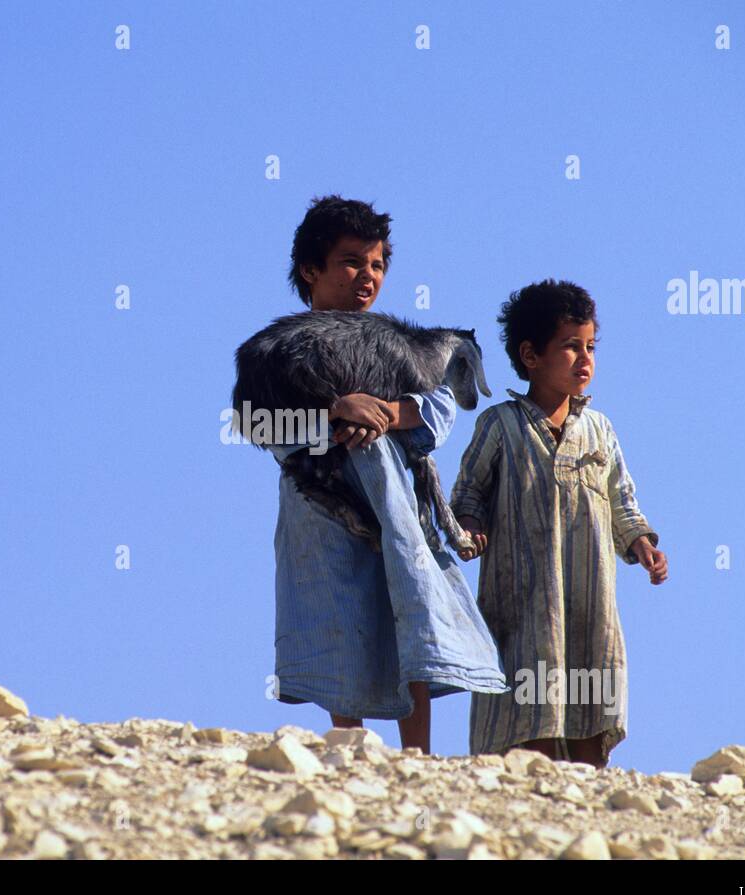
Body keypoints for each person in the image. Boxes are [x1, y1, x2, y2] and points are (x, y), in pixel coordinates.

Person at [265, 195, 508, 754]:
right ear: (310, 270)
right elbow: (262, 422)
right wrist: (333, 412)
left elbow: (442, 408)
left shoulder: (401, 346)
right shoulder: (282, 349)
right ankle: (349, 749)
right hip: (321, 508)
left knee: (412, 608)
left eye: (376, 265)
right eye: (351, 261)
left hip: (401, 501)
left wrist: (390, 413)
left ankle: (415, 756)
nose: (366, 276)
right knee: (340, 616)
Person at [449, 279, 667, 768]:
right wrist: (469, 527)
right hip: (523, 600)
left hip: (590, 599)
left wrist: (642, 545)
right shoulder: (500, 424)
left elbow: (622, 501)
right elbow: (468, 492)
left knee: (591, 708)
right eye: (570, 346)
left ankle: (582, 806)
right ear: (530, 355)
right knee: (532, 706)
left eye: (590, 346)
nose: (584, 358)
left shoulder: (600, 429)